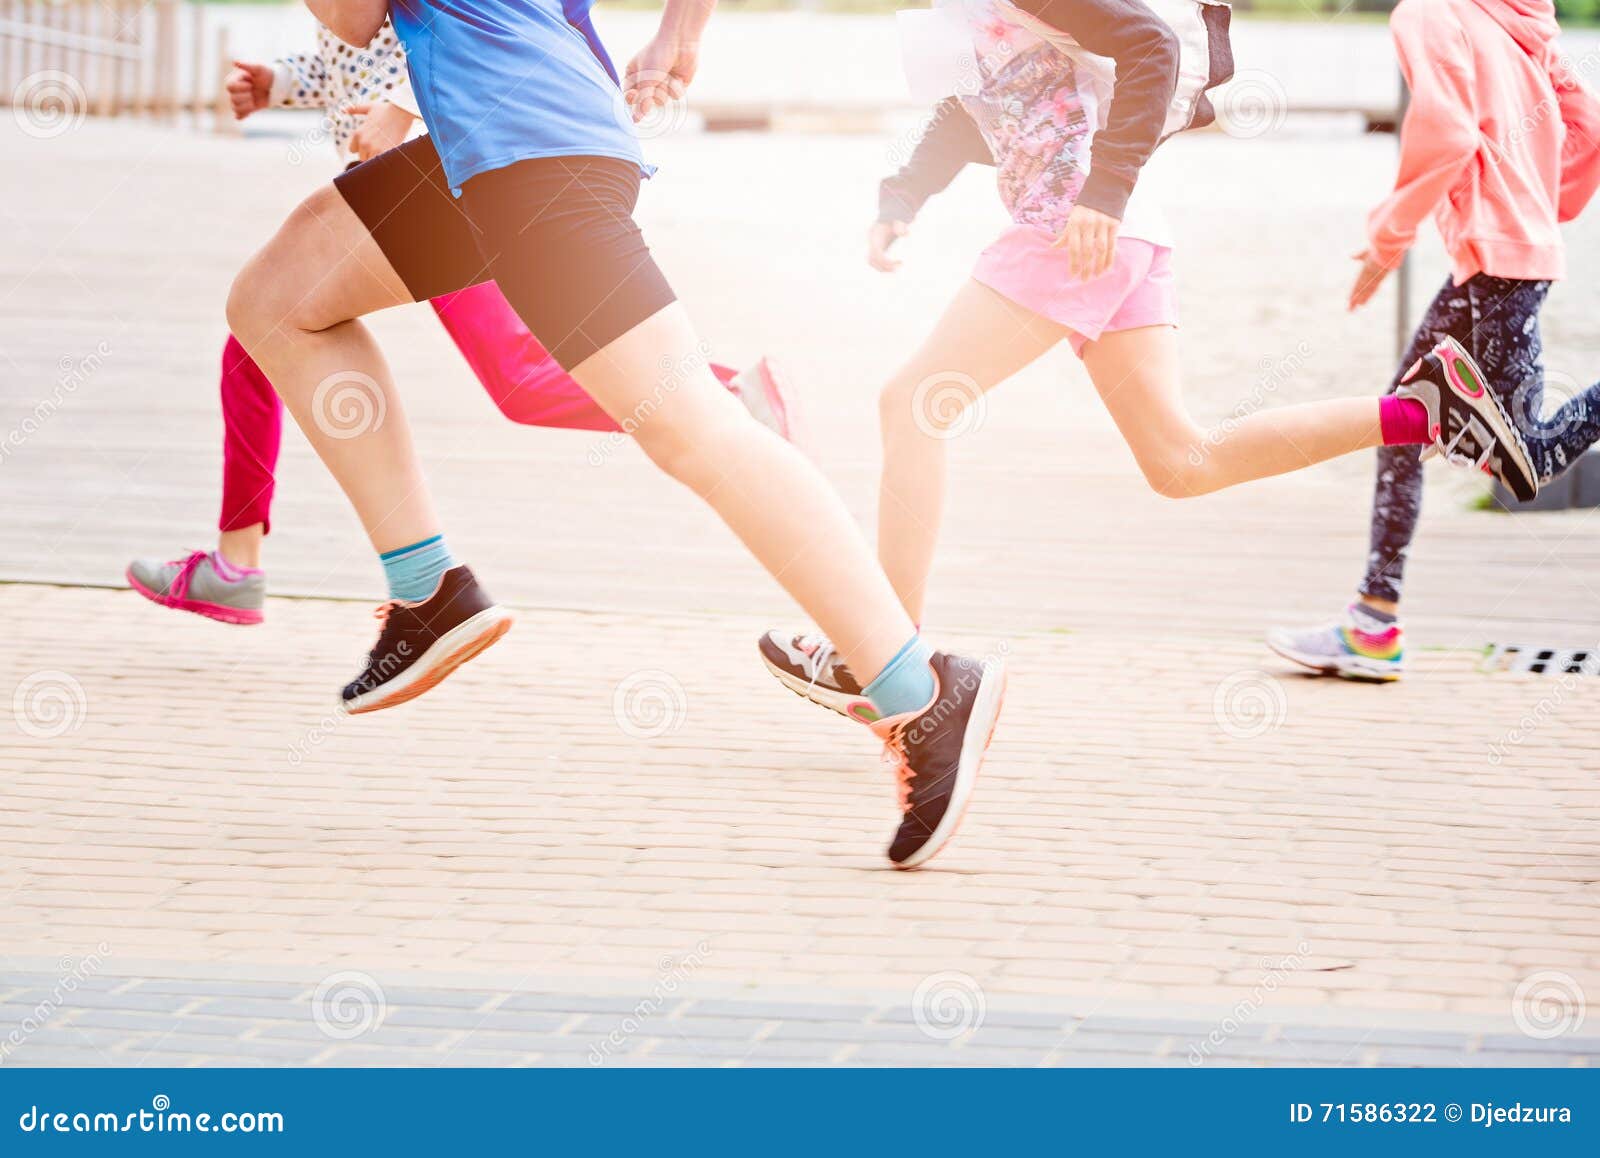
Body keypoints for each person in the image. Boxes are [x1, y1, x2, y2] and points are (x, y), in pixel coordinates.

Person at [220, 0, 1005, 869]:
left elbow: (354, 16)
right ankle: (428, 593)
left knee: (692, 429)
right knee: (279, 297)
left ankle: (920, 689)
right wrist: (683, 31)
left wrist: (683, 34)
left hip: (525, 148)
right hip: (505, 138)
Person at [757, 0, 1535, 718]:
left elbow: (1150, 46)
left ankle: (887, 660)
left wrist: (1102, 193)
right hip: (1122, 232)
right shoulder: (979, 17)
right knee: (1183, 461)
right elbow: (976, 111)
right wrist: (901, 198)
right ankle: (1422, 410)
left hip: (1081, 226)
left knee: (913, 403)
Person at [128, 18, 795, 628]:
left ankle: (727, 396)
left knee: (522, 380)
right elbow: (349, 58)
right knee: (256, 336)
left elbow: (461, 27)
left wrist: (398, 109)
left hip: (461, 173)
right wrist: (280, 81)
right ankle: (236, 563)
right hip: (399, 192)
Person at [1268, 0, 1600, 683]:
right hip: (1499, 259)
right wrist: (1540, 201)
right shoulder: (1521, 19)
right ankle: (1372, 626)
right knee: (1401, 424)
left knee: (1523, 465)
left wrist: (1388, 240)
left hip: (1502, 266)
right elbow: (1588, 128)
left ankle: (1372, 625)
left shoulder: (1427, 13)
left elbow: (1447, 135)